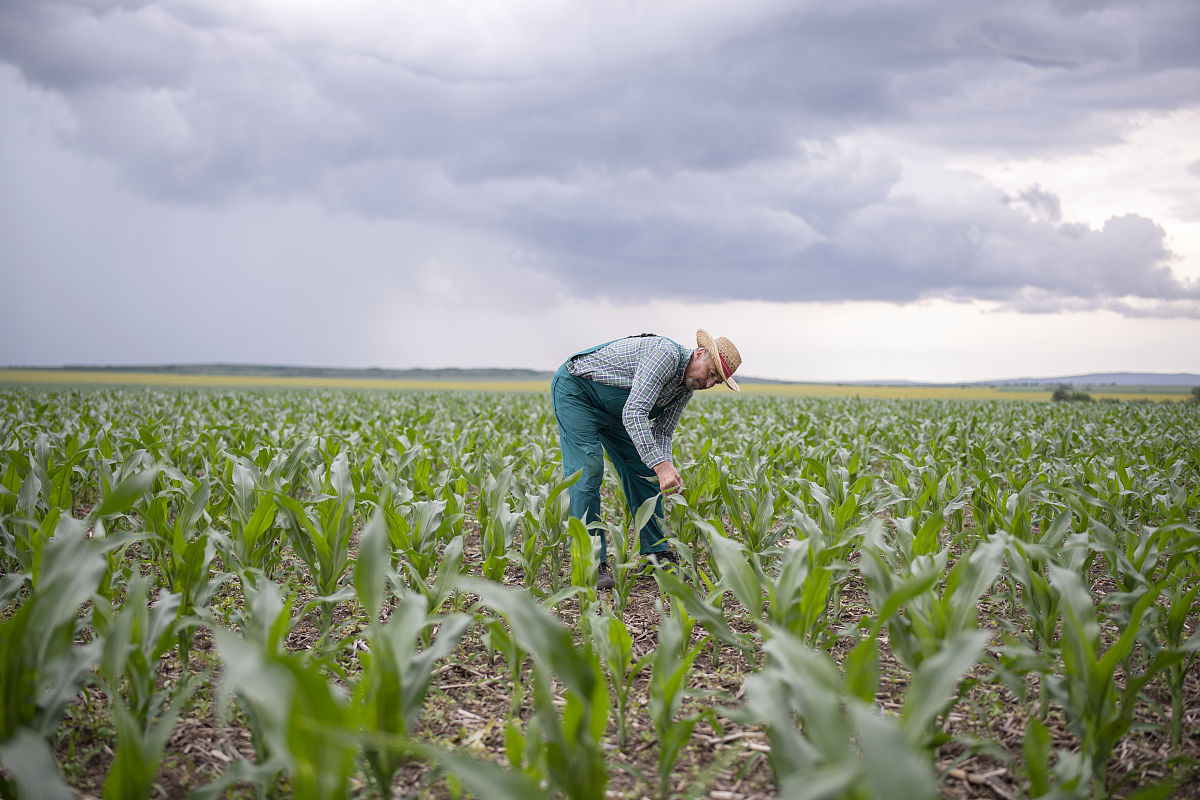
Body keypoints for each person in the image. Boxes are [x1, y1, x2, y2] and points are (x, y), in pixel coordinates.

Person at [551, 329, 742, 589]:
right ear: (699, 354)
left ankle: (656, 553)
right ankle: (589, 563)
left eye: (715, 382)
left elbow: (662, 432)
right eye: (710, 373)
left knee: (645, 470)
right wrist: (661, 465)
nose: (708, 384)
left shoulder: (685, 389)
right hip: (578, 393)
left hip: (616, 411)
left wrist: (667, 468)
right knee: (589, 468)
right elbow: (635, 412)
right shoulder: (664, 355)